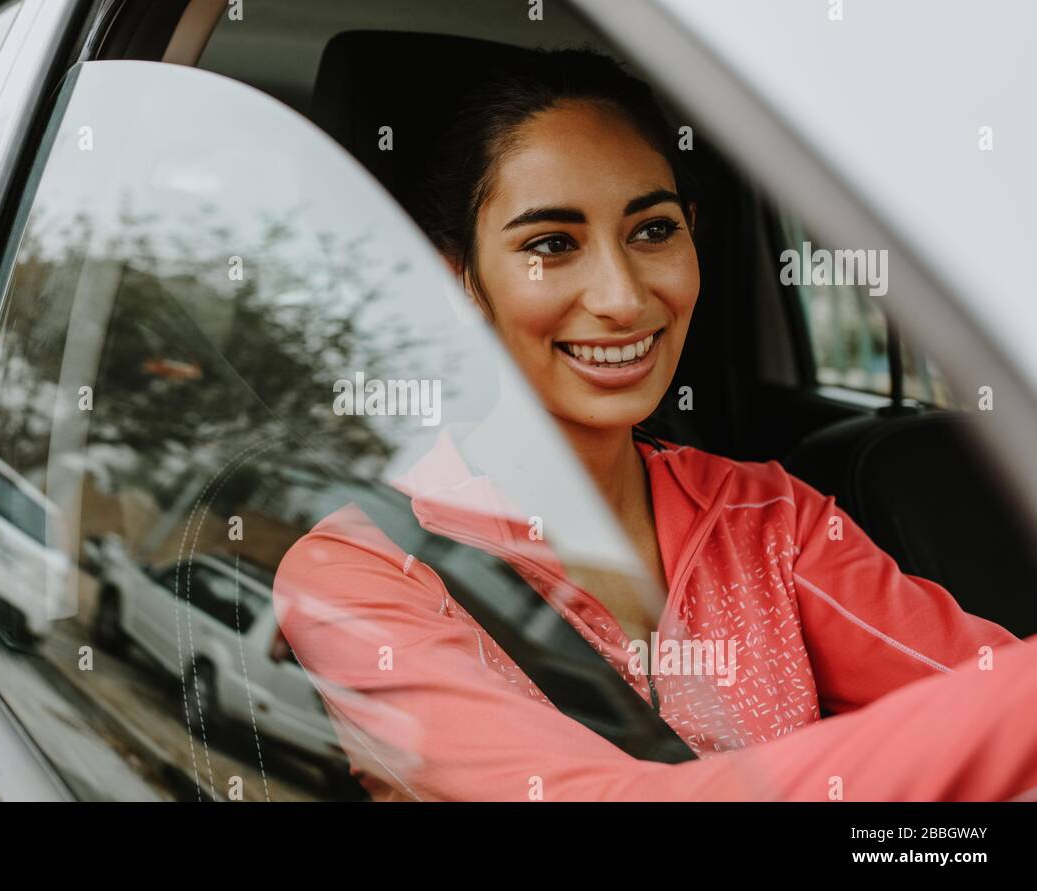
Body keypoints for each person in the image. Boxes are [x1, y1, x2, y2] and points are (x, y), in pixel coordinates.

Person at [273, 48, 1037, 801]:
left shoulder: (771, 518)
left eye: (652, 230)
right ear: (459, 280)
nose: (623, 296)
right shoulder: (358, 573)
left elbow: (990, 690)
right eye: (551, 244)